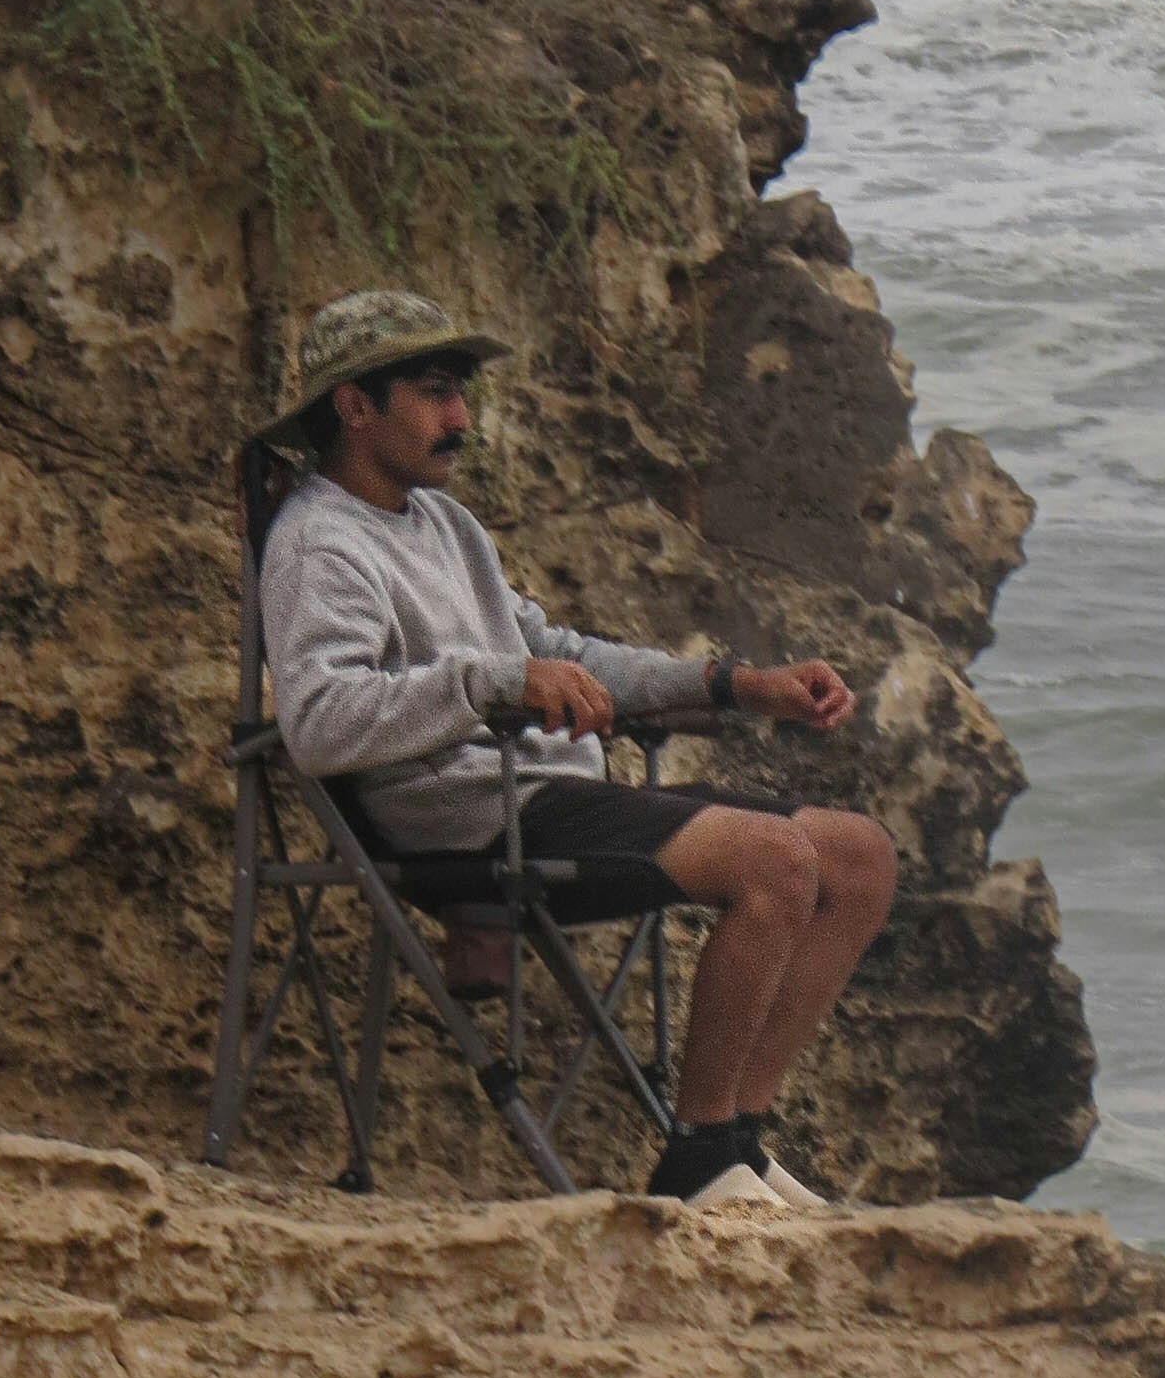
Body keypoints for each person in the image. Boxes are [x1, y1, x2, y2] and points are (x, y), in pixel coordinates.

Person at [256, 288, 898, 1207]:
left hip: (548, 792)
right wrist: (494, 684)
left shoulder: (443, 524)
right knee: (776, 863)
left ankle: (735, 1140)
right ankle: (700, 1152)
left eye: (460, 392)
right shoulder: (320, 544)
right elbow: (318, 723)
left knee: (861, 857)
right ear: (354, 406)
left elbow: (555, 654)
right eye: (436, 390)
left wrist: (732, 686)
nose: (461, 417)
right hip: (474, 822)